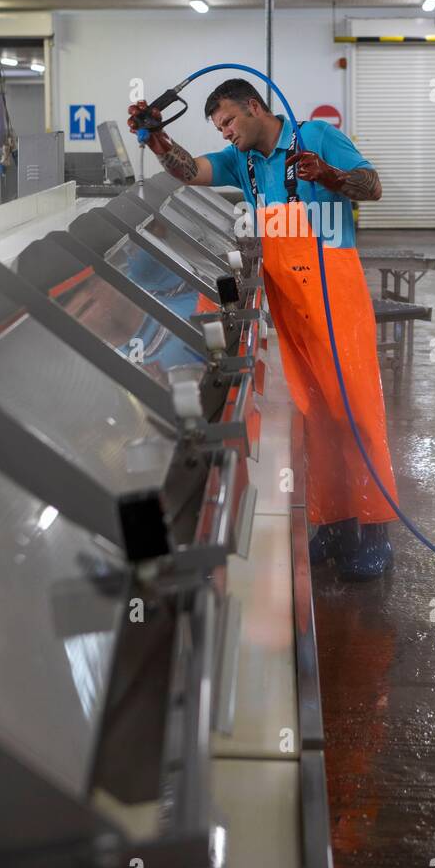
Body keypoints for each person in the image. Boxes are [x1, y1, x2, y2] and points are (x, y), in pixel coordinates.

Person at [128, 79, 398, 580]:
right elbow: (190, 172)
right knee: (316, 410)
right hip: (290, 303)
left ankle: (375, 527)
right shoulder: (241, 161)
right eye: (218, 128)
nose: (226, 133)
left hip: (335, 295)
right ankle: (335, 521)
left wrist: (333, 176)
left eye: (229, 121)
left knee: (356, 409)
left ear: (255, 107)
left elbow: (374, 186)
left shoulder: (316, 135)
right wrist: (158, 139)